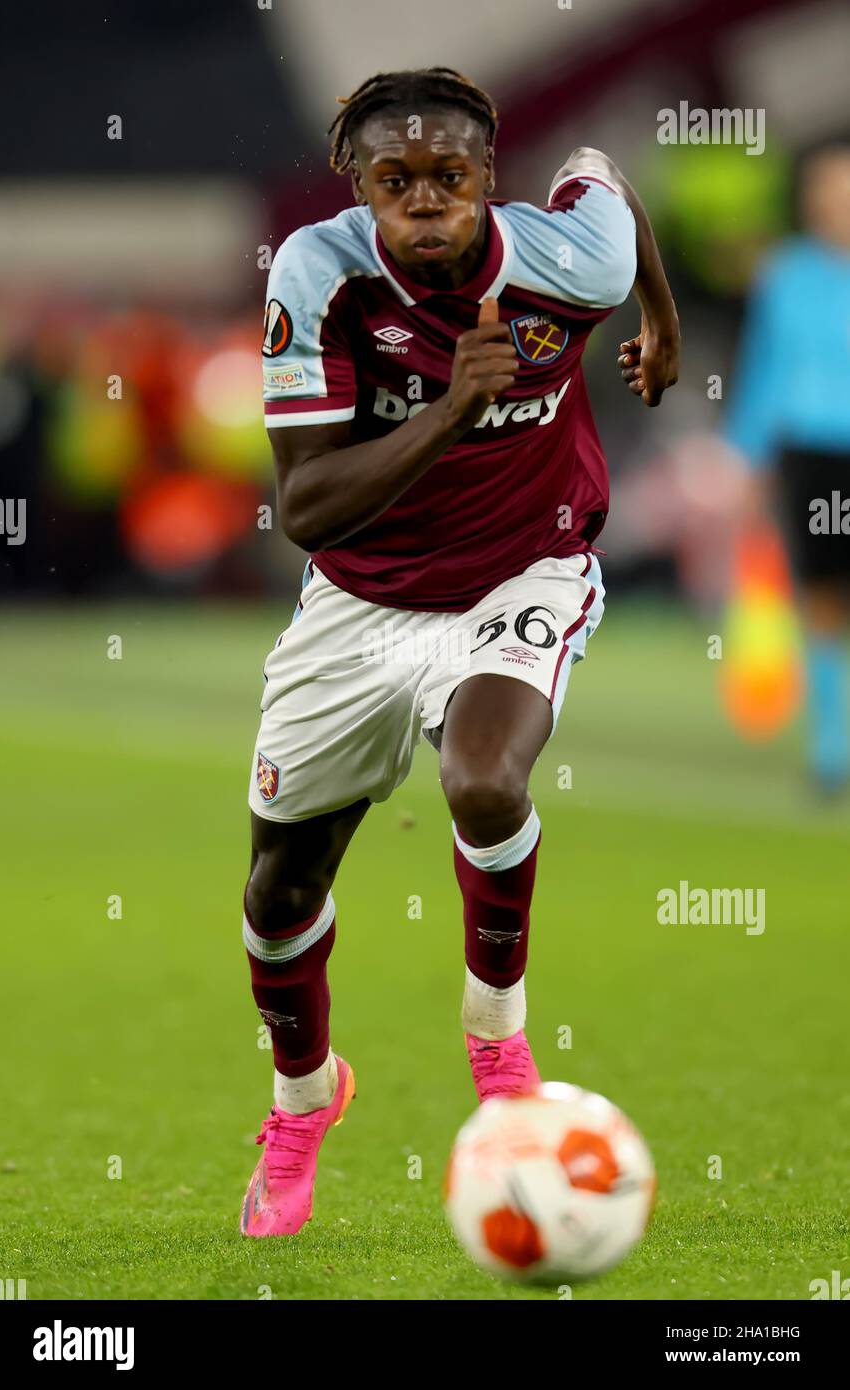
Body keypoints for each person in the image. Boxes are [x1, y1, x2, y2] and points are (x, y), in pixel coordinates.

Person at [240, 67, 679, 1237]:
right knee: (279, 895)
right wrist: (450, 408)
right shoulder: (315, 274)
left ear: (491, 175)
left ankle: (497, 1040)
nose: (425, 200)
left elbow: (612, 198)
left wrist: (660, 325)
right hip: (359, 596)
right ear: (358, 186)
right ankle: (303, 1100)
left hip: (521, 569)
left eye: (450, 177)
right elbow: (307, 510)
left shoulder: (564, 258)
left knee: (484, 779)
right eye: (397, 181)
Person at [725, 144, 850, 794]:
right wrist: (746, 454)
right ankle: (832, 745)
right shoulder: (787, 274)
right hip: (812, 451)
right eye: (825, 192)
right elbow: (765, 365)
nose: (835, 205)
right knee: (824, 596)